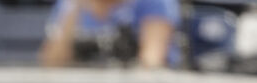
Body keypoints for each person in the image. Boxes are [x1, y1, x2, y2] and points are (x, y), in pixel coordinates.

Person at [39, 0, 181, 69]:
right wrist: (74, 9)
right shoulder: (69, 4)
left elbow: (151, 62)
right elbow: (51, 64)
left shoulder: (154, 2)